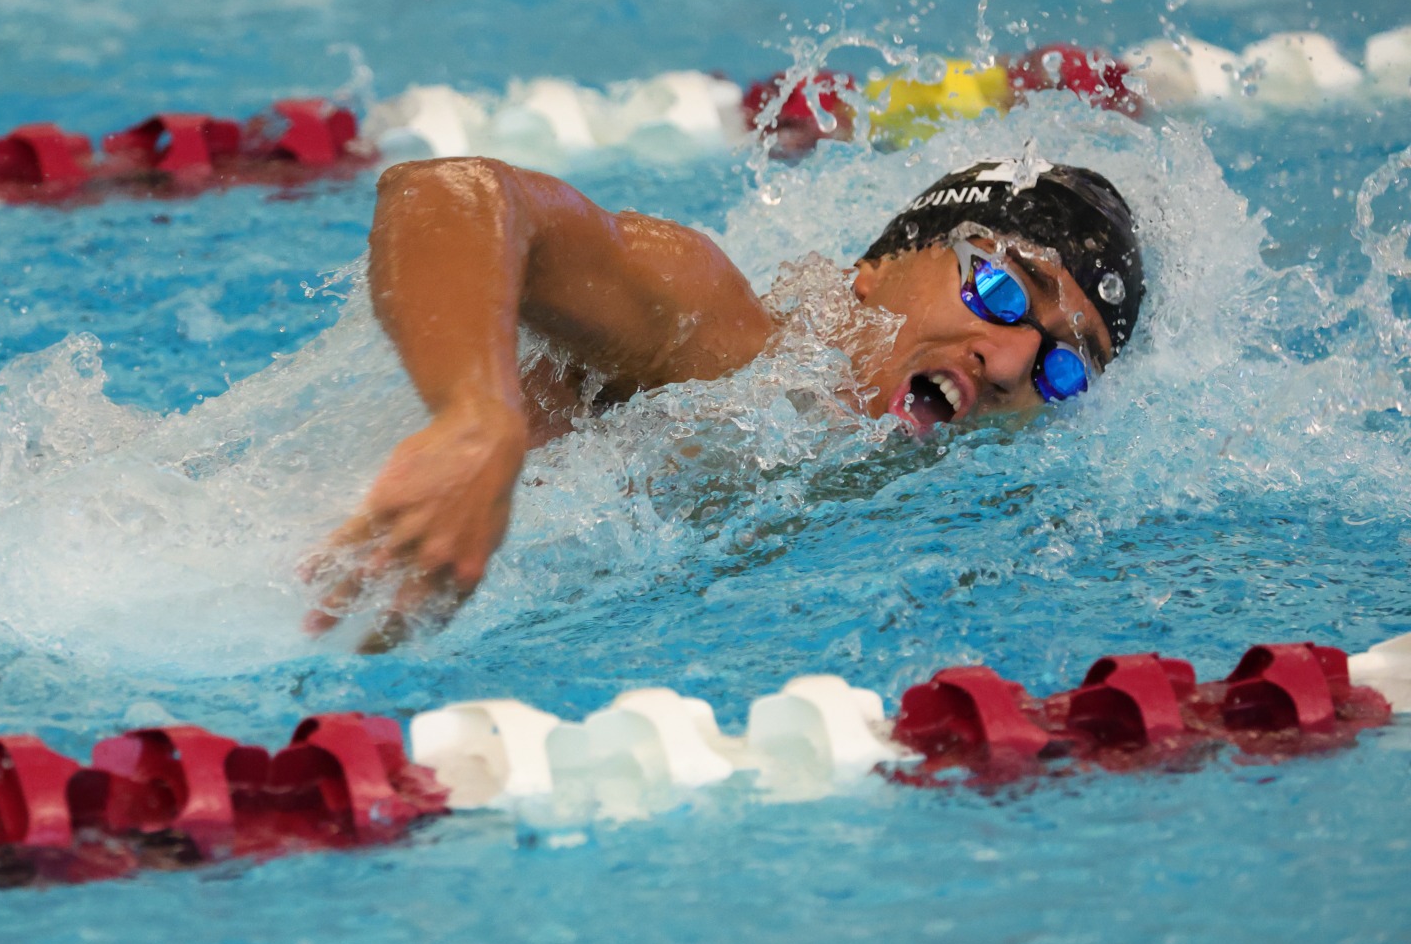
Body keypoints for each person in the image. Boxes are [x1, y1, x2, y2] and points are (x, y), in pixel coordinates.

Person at [305, 155, 1144, 649]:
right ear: (874, 270)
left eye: (1065, 368)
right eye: (997, 287)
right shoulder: (719, 341)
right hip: (316, 578)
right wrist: (474, 416)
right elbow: (443, 191)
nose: (1011, 362)